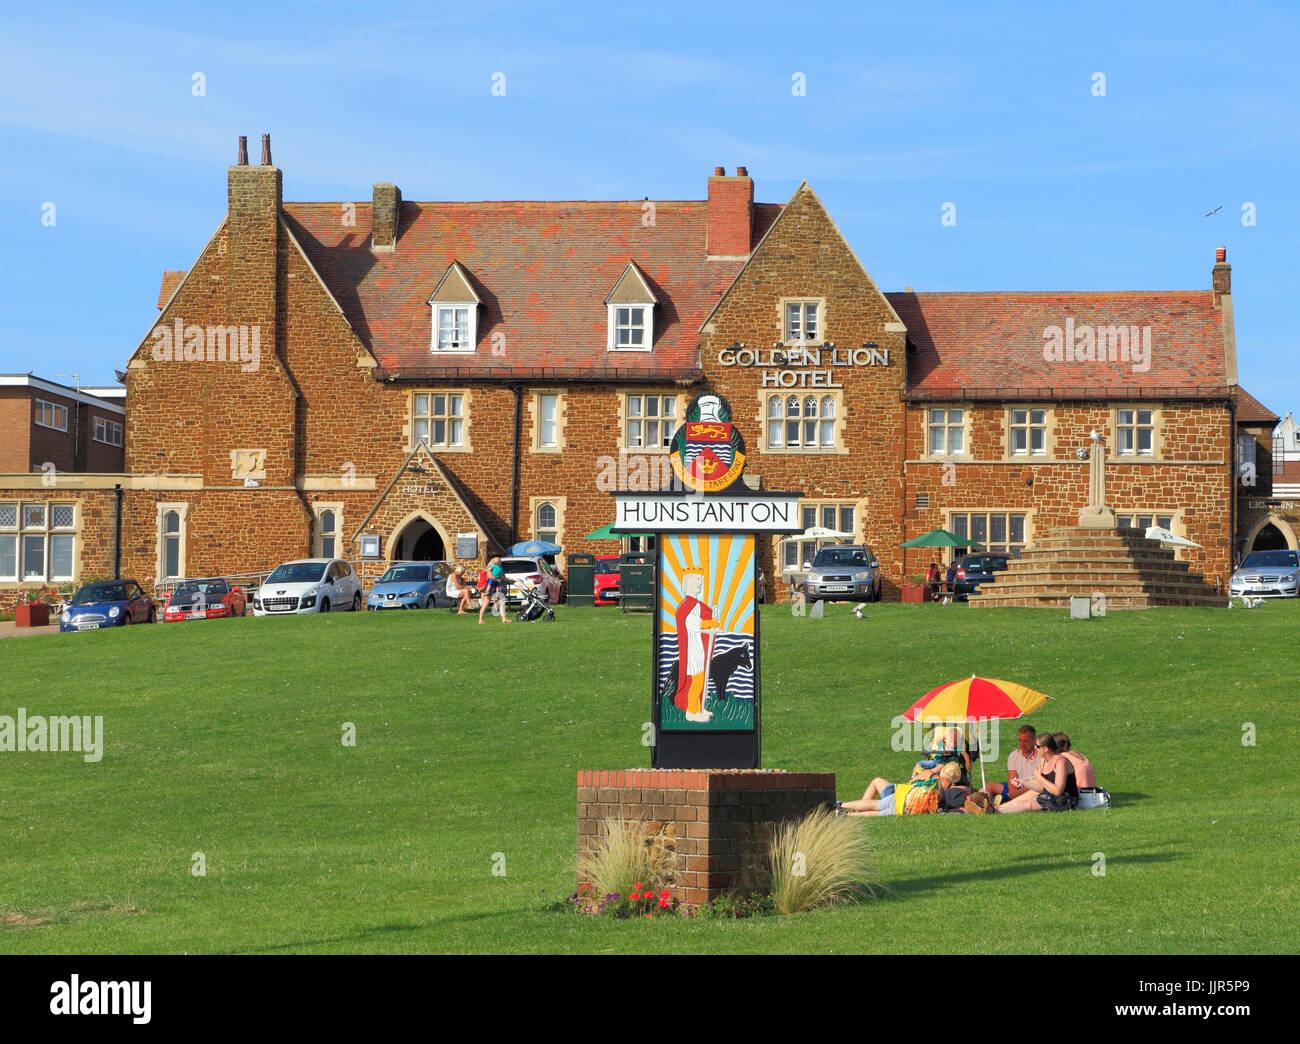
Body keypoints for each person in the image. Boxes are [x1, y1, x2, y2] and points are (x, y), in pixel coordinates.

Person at [995, 734, 1078, 813]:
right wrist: (1023, 783)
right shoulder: (1044, 760)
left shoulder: (1060, 762)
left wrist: (1039, 777)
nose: (1034, 748)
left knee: (1029, 804)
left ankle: (997, 811)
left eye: (1037, 746)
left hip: (1066, 800)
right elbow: (1042, 788)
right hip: (1052, 796)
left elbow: (1058, 791)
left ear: (1045, 749)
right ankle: (998, 807)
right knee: (1031, 794)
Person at [836, 761, 941, 816]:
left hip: (899, 793)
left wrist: (930, 770)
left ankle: (847, 807)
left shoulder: (931, 775)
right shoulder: (937, 785)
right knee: (875, 810)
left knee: (876, 794)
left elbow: (913, 779)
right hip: (902, 801)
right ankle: (851, 812)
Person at [985, 724, 1039, 805]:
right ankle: (985, 804)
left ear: (1034, 740)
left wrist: (1018, 793)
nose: (1022, 744)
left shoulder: (1041, 755)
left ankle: (999, 803)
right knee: (988, 786)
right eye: (1020, 740)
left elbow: (1039, 784)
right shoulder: (1013, 755)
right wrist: (1013, 792)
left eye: (1025, 741)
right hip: (1018, 787)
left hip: (1032, 789)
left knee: (1033, 793)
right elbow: (1012, 779)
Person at [478, 557, 511, 624]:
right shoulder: (491, 568)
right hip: (491, 586)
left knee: (501, 601)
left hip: (496, 586)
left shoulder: (499, 569)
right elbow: (491, 577)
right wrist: (498, 580)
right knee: (486, 603)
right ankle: (480, 619)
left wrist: (507, 579)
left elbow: (502, 577)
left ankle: (504, 619)